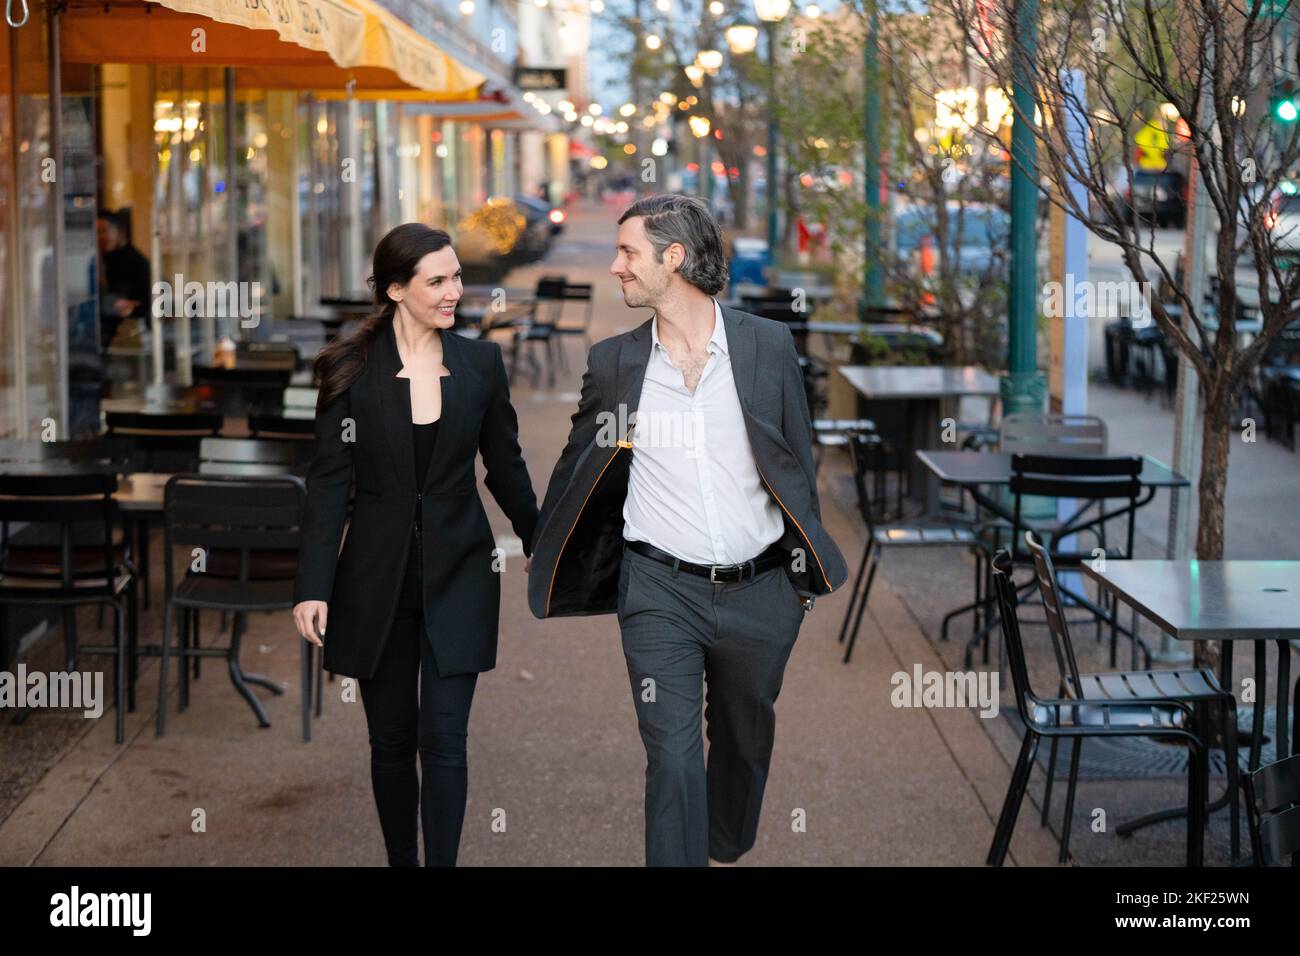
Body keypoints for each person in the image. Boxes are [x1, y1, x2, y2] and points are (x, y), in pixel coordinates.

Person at [527, 193, 848, 866]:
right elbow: (577, 464)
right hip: (658, 592)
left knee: (742, 739)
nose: (616, 267)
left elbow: (796, 458)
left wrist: (796, 577)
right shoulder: (616, 362)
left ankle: (723, 841)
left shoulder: (766, 346)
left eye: (628, 253)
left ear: (674, 258)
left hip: (759, 592)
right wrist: (547, 544)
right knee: (671, 758)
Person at [292, 223, 539, 867]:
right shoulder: (348, 372)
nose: (455, 291)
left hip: (461, 575)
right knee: (393, 742)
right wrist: (313, 586)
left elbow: (505, 466)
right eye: (438, 280)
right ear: (397, 289)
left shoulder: (481, 364)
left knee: (446, 739)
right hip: (376, 583)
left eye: (457, 276)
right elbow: (327, 486)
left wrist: (546, 541)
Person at [96, 209, 151, 350]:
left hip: (131, 337)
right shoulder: (102, 260)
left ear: (120, 232)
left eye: (104, 231)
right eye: (96, 232)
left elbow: (145, 303)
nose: (100, 237)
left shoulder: (136, 263)